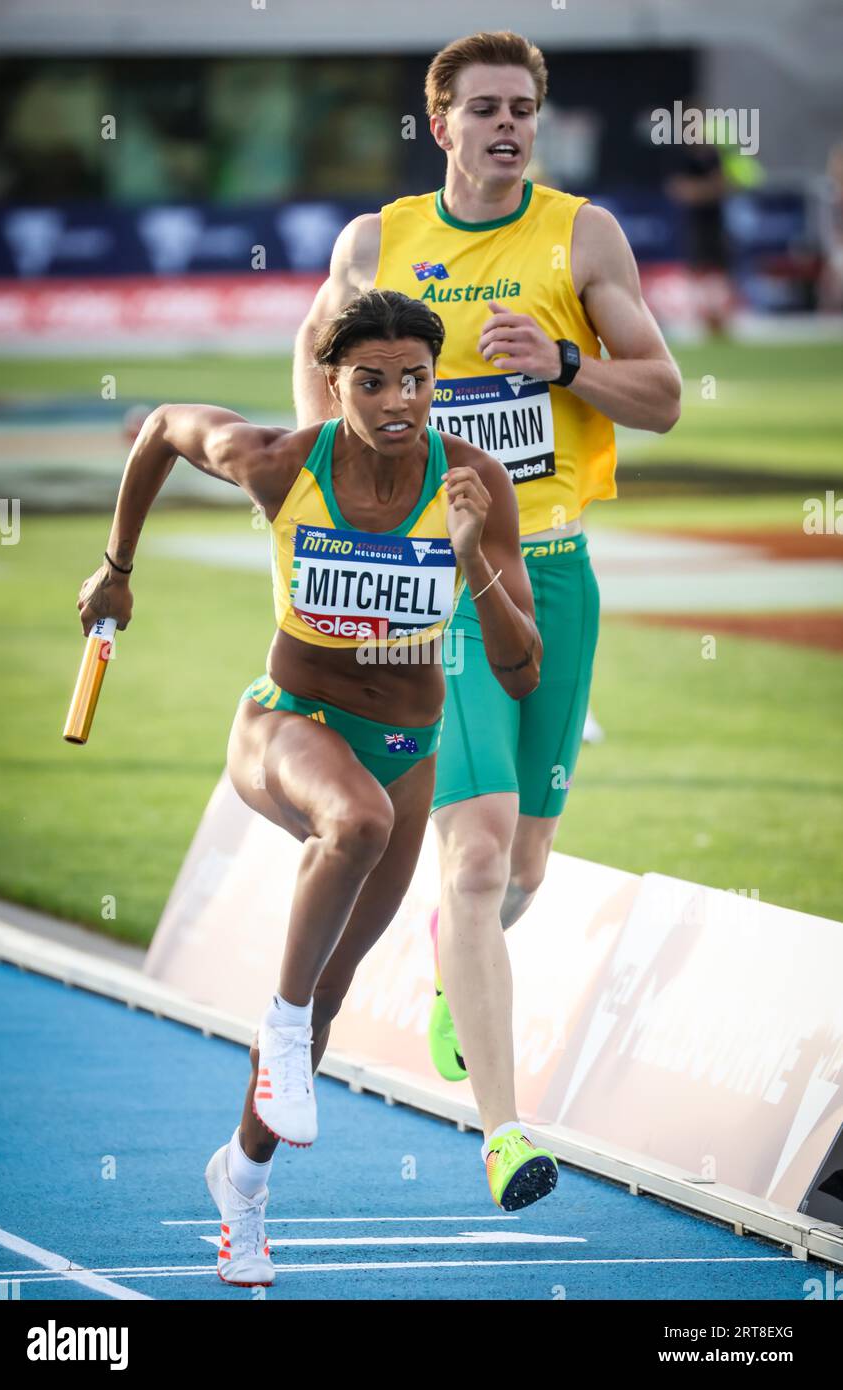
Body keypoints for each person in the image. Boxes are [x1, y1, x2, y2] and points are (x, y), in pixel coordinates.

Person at [75, 288, 548, 1288]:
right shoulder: (281, 463)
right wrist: (117, 565)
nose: (395, 401)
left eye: (415, 381)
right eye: (370, 381)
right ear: (332, 381)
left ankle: (241, 1184)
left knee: (333, 983)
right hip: (285, 724)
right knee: (355, 821)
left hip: (402, 746)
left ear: (435, 383)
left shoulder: (473, 484)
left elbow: (518, 672)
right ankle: (281, 1027)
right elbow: (162, 426)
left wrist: (471, 562)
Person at [293, 31, 681, 1211]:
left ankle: (456, 973)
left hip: (552, 572)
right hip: (435, 581)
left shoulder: (583, 235)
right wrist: (363, 485)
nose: (506, 125)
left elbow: (661, 396)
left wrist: (563, 358)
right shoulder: (377, 241)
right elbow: (313, 372)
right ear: (440, 122)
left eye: (523, 108)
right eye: (483, 109)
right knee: (468, 855)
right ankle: (506, 1135)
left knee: (521, 865)